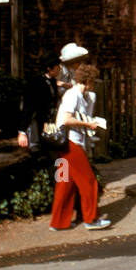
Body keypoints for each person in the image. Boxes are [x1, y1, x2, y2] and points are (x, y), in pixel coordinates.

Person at [50, 64, 111, 230]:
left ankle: (58, 222)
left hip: (68, 143)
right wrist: (87, 123)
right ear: (89, 80)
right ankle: (91, 219)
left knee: (64, 182)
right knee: (89, 181)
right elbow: (65, 119)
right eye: (93, 81)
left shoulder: (84, 95)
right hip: (71, 143)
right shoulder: (73, 95)